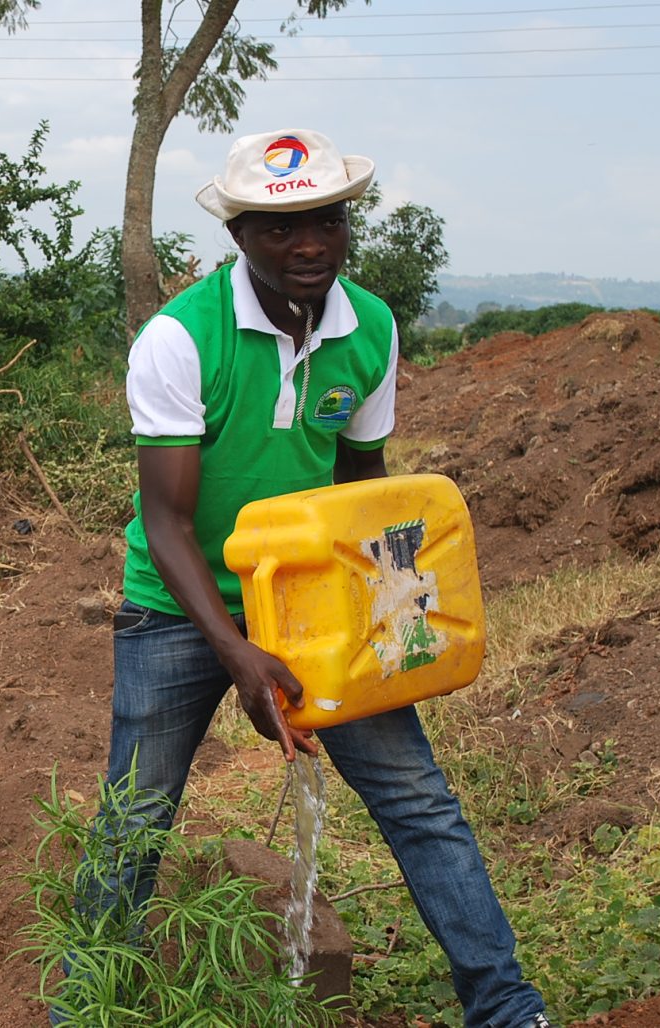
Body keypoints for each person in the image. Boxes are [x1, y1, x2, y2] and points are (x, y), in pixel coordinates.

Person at [57, 129, 553, 1028]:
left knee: (417, 800)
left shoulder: (369, 328)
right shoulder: (179, 338)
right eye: (283, 228)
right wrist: (237, 652)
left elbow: (364, 488)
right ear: (240, 234)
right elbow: (166, 523)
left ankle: (508, 1007)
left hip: (313, 601)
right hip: (179, 606)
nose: (310, 243)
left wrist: (387, 623)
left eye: (326, 219)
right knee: (133, 822)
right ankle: (84, 1011)